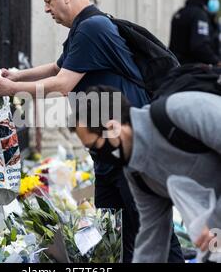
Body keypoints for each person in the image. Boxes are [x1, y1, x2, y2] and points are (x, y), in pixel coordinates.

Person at [0, 0, 182, 262]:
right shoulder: (83, 27)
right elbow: (57, 68)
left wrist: (11, 89)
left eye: (49, 1)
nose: (46, 9)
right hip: (108, 153)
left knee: (151, 236)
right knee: (118, 237)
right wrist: (16, 75)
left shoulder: (92, 27)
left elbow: (63, 83)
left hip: (131, 149)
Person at [71, 85, 221, 262]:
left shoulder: (180, 112)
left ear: (112, 128)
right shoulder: (137, 173)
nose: (94, 155)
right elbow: (152, 238)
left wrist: (214, 221)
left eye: (93, 147)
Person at [169, 0, 221, 65]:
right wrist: (217, 61)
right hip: (193, 71)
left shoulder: (181, 12)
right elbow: (199, 46)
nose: (215, 0)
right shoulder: (199, 15)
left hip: (178, 69)